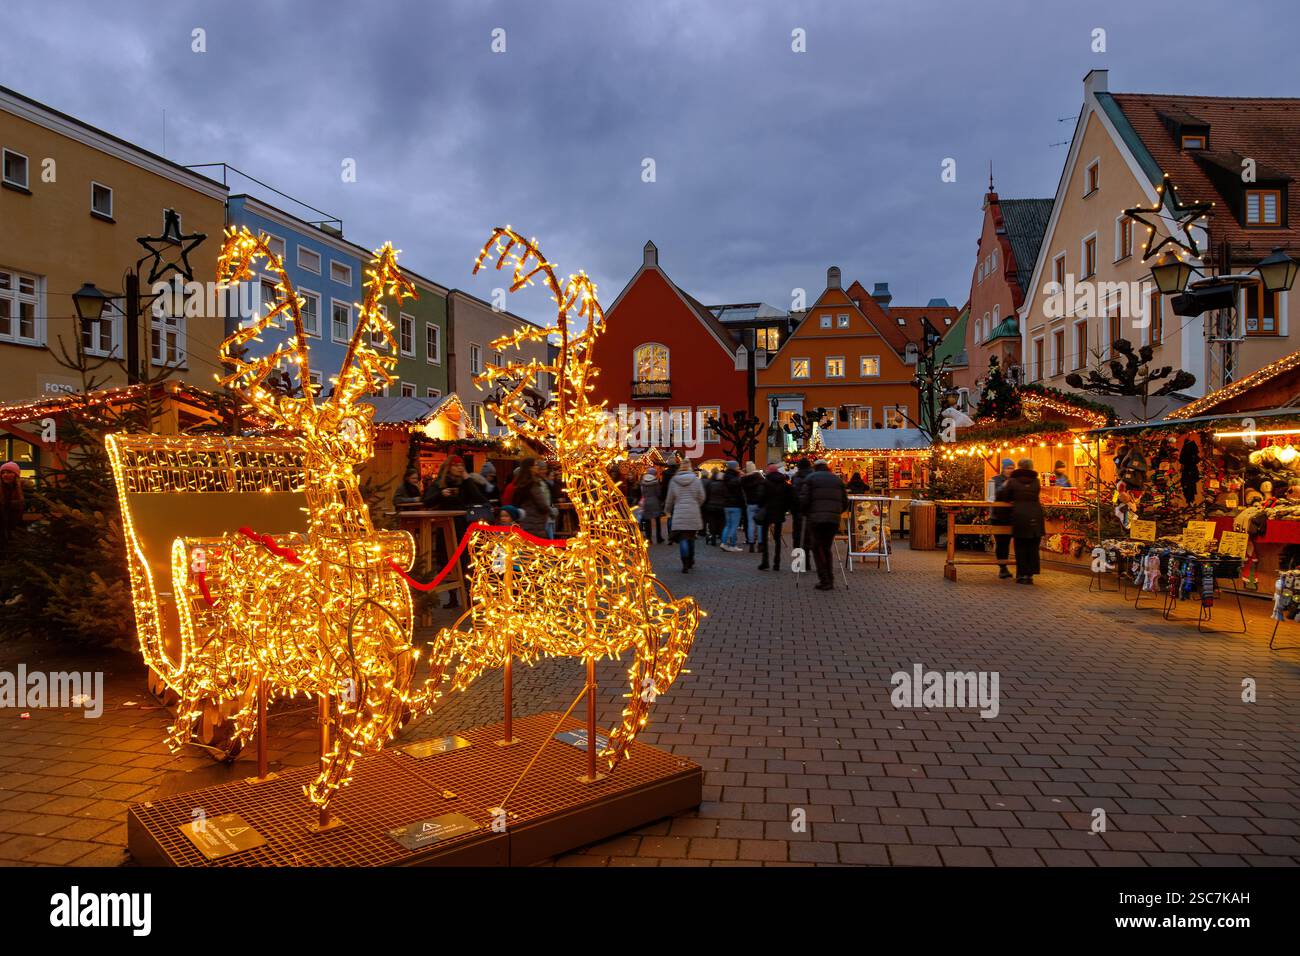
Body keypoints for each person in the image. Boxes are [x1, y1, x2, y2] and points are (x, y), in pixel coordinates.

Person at [798, 459, 849, 590]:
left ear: (815, 467)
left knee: (817, 547)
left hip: (816, 519)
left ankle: (825, 579)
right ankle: (829, 578)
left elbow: (804, 499)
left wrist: (805, 512)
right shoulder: (837, 480)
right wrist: (837, 512)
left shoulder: (810, 479)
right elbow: (845, 502)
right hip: (833, 519)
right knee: (826, 547)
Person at [996, 458, 1045, 585]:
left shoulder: (1012, 481)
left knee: (1021, 546)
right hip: (1036, 516)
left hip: (1020, 516)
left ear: (1019, 467)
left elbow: (1005, 497)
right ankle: (1030, 575)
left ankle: (1021, 574)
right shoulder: (1037, 481)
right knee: (1033, 547)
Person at [663, 461, 706, 572]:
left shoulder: (674, 481)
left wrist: (667, 510)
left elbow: (670, 498)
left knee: (683, 539)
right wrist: (697, 505)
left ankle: (685, 562)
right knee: (691, 537)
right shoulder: (696, 480)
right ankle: (691, 559)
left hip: (679, 512)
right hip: (693, 512)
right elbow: (702, 496)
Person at [757, 464, 796, 571]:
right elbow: (791, 498)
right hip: (779, 512)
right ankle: (776, 563)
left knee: (765, 537)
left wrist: (762, 506)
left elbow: (760, 498)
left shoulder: (764, 483)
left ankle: (765, 561)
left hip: (767, 512)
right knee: (777, 538)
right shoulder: (785, 484)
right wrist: (785, 508)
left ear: (769, 471)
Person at [510, 457, 553, 537]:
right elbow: (541, 503)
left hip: (524, 520)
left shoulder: (520, 484)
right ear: (530, 468)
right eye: (535, 465)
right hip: (535, 521)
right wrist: (551, 511)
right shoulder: (533, 484)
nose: (537, 467)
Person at [990, 458, 1015, 580]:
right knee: (1001, 543)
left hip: (1010, 516)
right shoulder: (994, 480)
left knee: (1007, 542)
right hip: (997, 516)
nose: (1010, 470)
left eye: (1012, 468)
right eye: (1008, 468)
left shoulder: (1014, 481)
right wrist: (1004, 486)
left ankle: (1005, 567)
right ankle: (1002, 568)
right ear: (1003, 468)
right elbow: (990, 497)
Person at [740, 461, 766, 553]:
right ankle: (760, 544)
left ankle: (751, 544)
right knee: (759, 525)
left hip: (750, 503)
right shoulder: (759, 477)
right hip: (759, 503)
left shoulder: (744, 480)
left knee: (751, 524)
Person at [0, 461, 25, 554]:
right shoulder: (1, 490)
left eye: (9, 472)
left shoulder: (25, 489)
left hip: (19, 530)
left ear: (16, 475)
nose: (5, 475)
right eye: (3, 473)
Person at [720, 460, 745, 551]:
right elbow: (738, 489)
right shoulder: (735, 477)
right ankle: (728, 544)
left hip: (726, 504)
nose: (739, 468)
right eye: (737, 467)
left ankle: (729, 544)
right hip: (735, 505)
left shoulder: (725, 476)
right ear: (734, 467)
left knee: (728, 525)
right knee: (734, 526)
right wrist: (741, 476)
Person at [790, 457, 813, 553]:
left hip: (798, 509)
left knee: (798, 534)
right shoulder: (813, 476)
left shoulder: (795, 477)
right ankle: (807, 560)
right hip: (810, 509)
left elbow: (793, 494)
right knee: (809, 534)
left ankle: (799, 559)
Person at [638, 466, 665, 543]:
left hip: (646, 502)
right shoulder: (656, 482)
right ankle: (659, 538)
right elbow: (658, 493)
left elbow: (642, 492)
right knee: (657, 520)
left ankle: (649, 538)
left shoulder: (643, 482)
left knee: (647, 521)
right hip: (655, 502)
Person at [703, 467, 726, 546]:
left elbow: (707, 495)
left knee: (712, 523)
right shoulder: (723, 485)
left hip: (711, 506)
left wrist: (706, 504)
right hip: (721, 507)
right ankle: (721, 536)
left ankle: (712, 537)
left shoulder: (710, 483)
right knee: (721, 522)